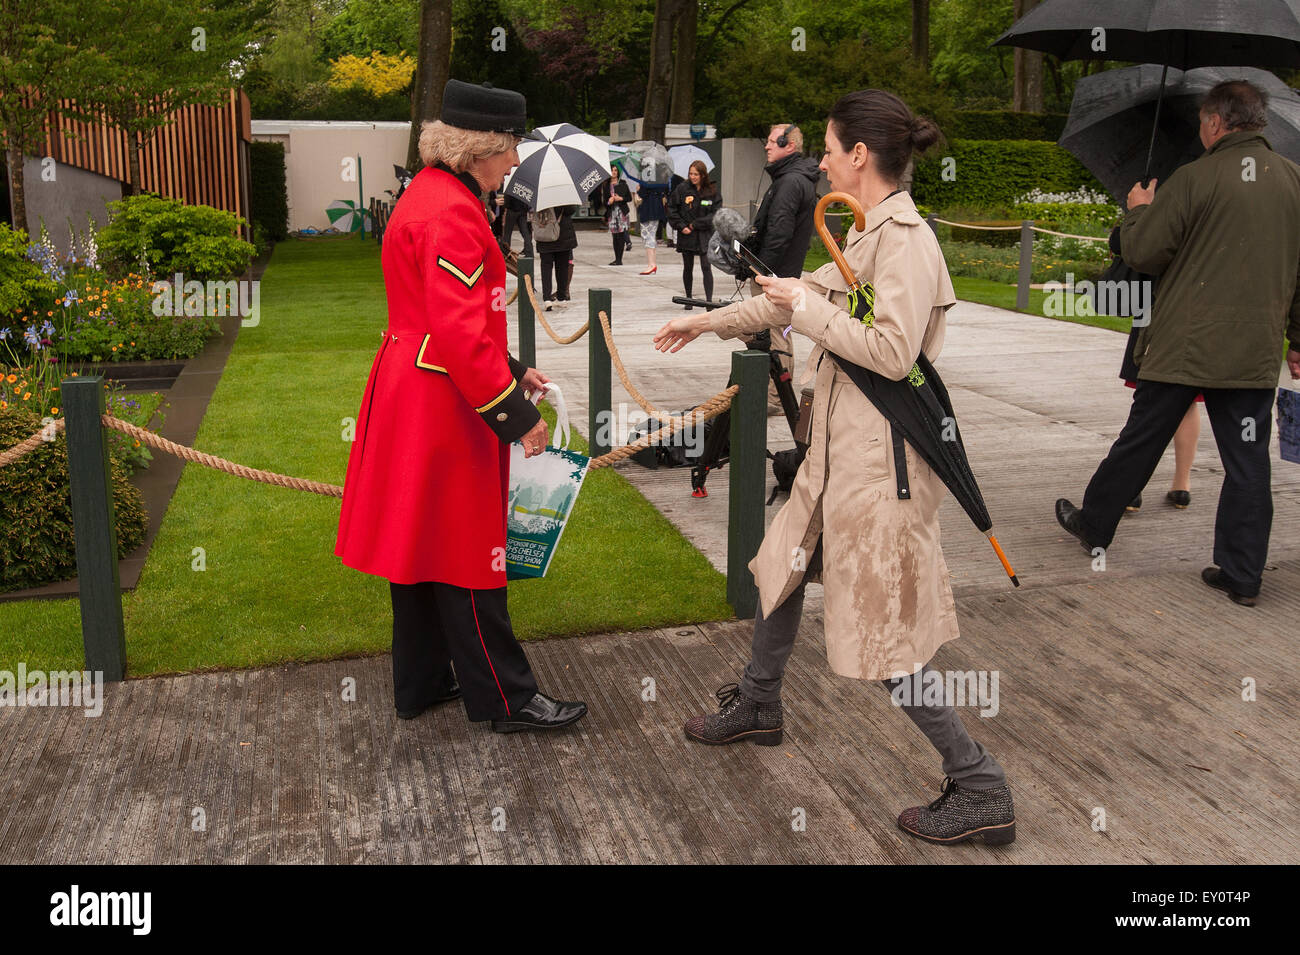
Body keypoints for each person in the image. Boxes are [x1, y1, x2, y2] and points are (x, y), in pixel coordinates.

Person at [653, 89, 1016, 847]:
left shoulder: (908, 239)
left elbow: (890, 349)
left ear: (859, 154)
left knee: (883, 636)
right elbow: (795, 303)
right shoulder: (867, 232)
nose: (819, 159)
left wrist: (809, 310)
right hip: (837, 455)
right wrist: (704, 320)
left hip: (881, 471)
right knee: (781, 565)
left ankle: (979, 782)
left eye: (827, 146)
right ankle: (759, 702)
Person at [335, 78, 587, 734]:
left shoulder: (426, 193)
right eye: (510, 151)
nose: (514, 164)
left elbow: (437, 318)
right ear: (482, 148)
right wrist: (517, 415)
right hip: (442, 399)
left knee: (418, 543)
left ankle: (419, 681)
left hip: (413, 385)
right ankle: (508, 698)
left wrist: (510, 369)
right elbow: (454, 333)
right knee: (470, 549)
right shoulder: (453, 211)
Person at [1056, 79, 1300, 607]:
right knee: (1248, 463)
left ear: (1215, 123)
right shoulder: (1294, 180)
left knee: (1140, 440)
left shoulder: (1195, 177)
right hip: (1254, 353)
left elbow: (1142, 251)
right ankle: (1242, 575)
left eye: (1200, 123)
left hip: (1182, 347)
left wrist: (1140, 207)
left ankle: (1095, 525)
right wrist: (1297, 339)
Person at [1108, 223, 1201, 513]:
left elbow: (1123, 243)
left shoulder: (1165, 202)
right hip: (1200, 312)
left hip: (1158, 313)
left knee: (1149, 406)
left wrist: (1138, 212)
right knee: (1186, 403)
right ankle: (1181, 484)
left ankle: (1131, 487)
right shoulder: (1213, 201)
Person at [749, 124, 821, 412]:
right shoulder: (790, 178)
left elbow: (779, 231)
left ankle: (776, 397)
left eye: (771, 142)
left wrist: (762, 269)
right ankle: (770, 391)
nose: (767, 146)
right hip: (779, 270)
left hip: (776, 272)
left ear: (788, 145)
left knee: (777, 331)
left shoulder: (791, 181)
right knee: (769, 329)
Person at [667, 160, 721, 308]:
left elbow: (716, 214)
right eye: (691, 174)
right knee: (688, 267)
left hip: (705, 234)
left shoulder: (711, 191)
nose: (693, 177)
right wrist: (681, 226)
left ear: (703, 175)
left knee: (706, 266)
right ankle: (688, 299)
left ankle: (709, 301)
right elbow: (672, 208)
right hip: (687, 234)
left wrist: (696, 224)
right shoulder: (682, 189)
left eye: (696, 174)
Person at [534, 204, 577, 308]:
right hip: (563, 235)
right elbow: (570, 210)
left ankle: (547, 298)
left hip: (544, 235)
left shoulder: (540, 196)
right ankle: (561, 298)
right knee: (562, 267)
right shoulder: (564, 195)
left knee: (546, 268)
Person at [599, 165, 633, 265]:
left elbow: (629, 198)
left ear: (618, 172)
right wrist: (609, 201)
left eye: (615, 170)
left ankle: (619, 260)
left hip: (622, 212)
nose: (614, 172)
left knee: (621, 236)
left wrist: (621, 199)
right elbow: (604, 202)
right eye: (612, 170)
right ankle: (616, 258)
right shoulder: (606, 185)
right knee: (615, 236)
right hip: (612, 213)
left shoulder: (622, 183)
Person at [636, 180, 670, 274]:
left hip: (649, 208)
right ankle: (652, 263)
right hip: (655, 207)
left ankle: (652, 264)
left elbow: (643, 193)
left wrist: (639, 189)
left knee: (648, 235)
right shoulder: (661, 178)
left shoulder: (648, 179)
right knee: (650, 234)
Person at [501, 192, 533, 257]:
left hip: (511, 210)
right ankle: (529, 253)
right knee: (525, 232)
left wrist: (505, 208)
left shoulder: (512, 185)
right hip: (523, 210)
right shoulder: (525, 185)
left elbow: (507, 199)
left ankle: (506, 252)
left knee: (507, 233)